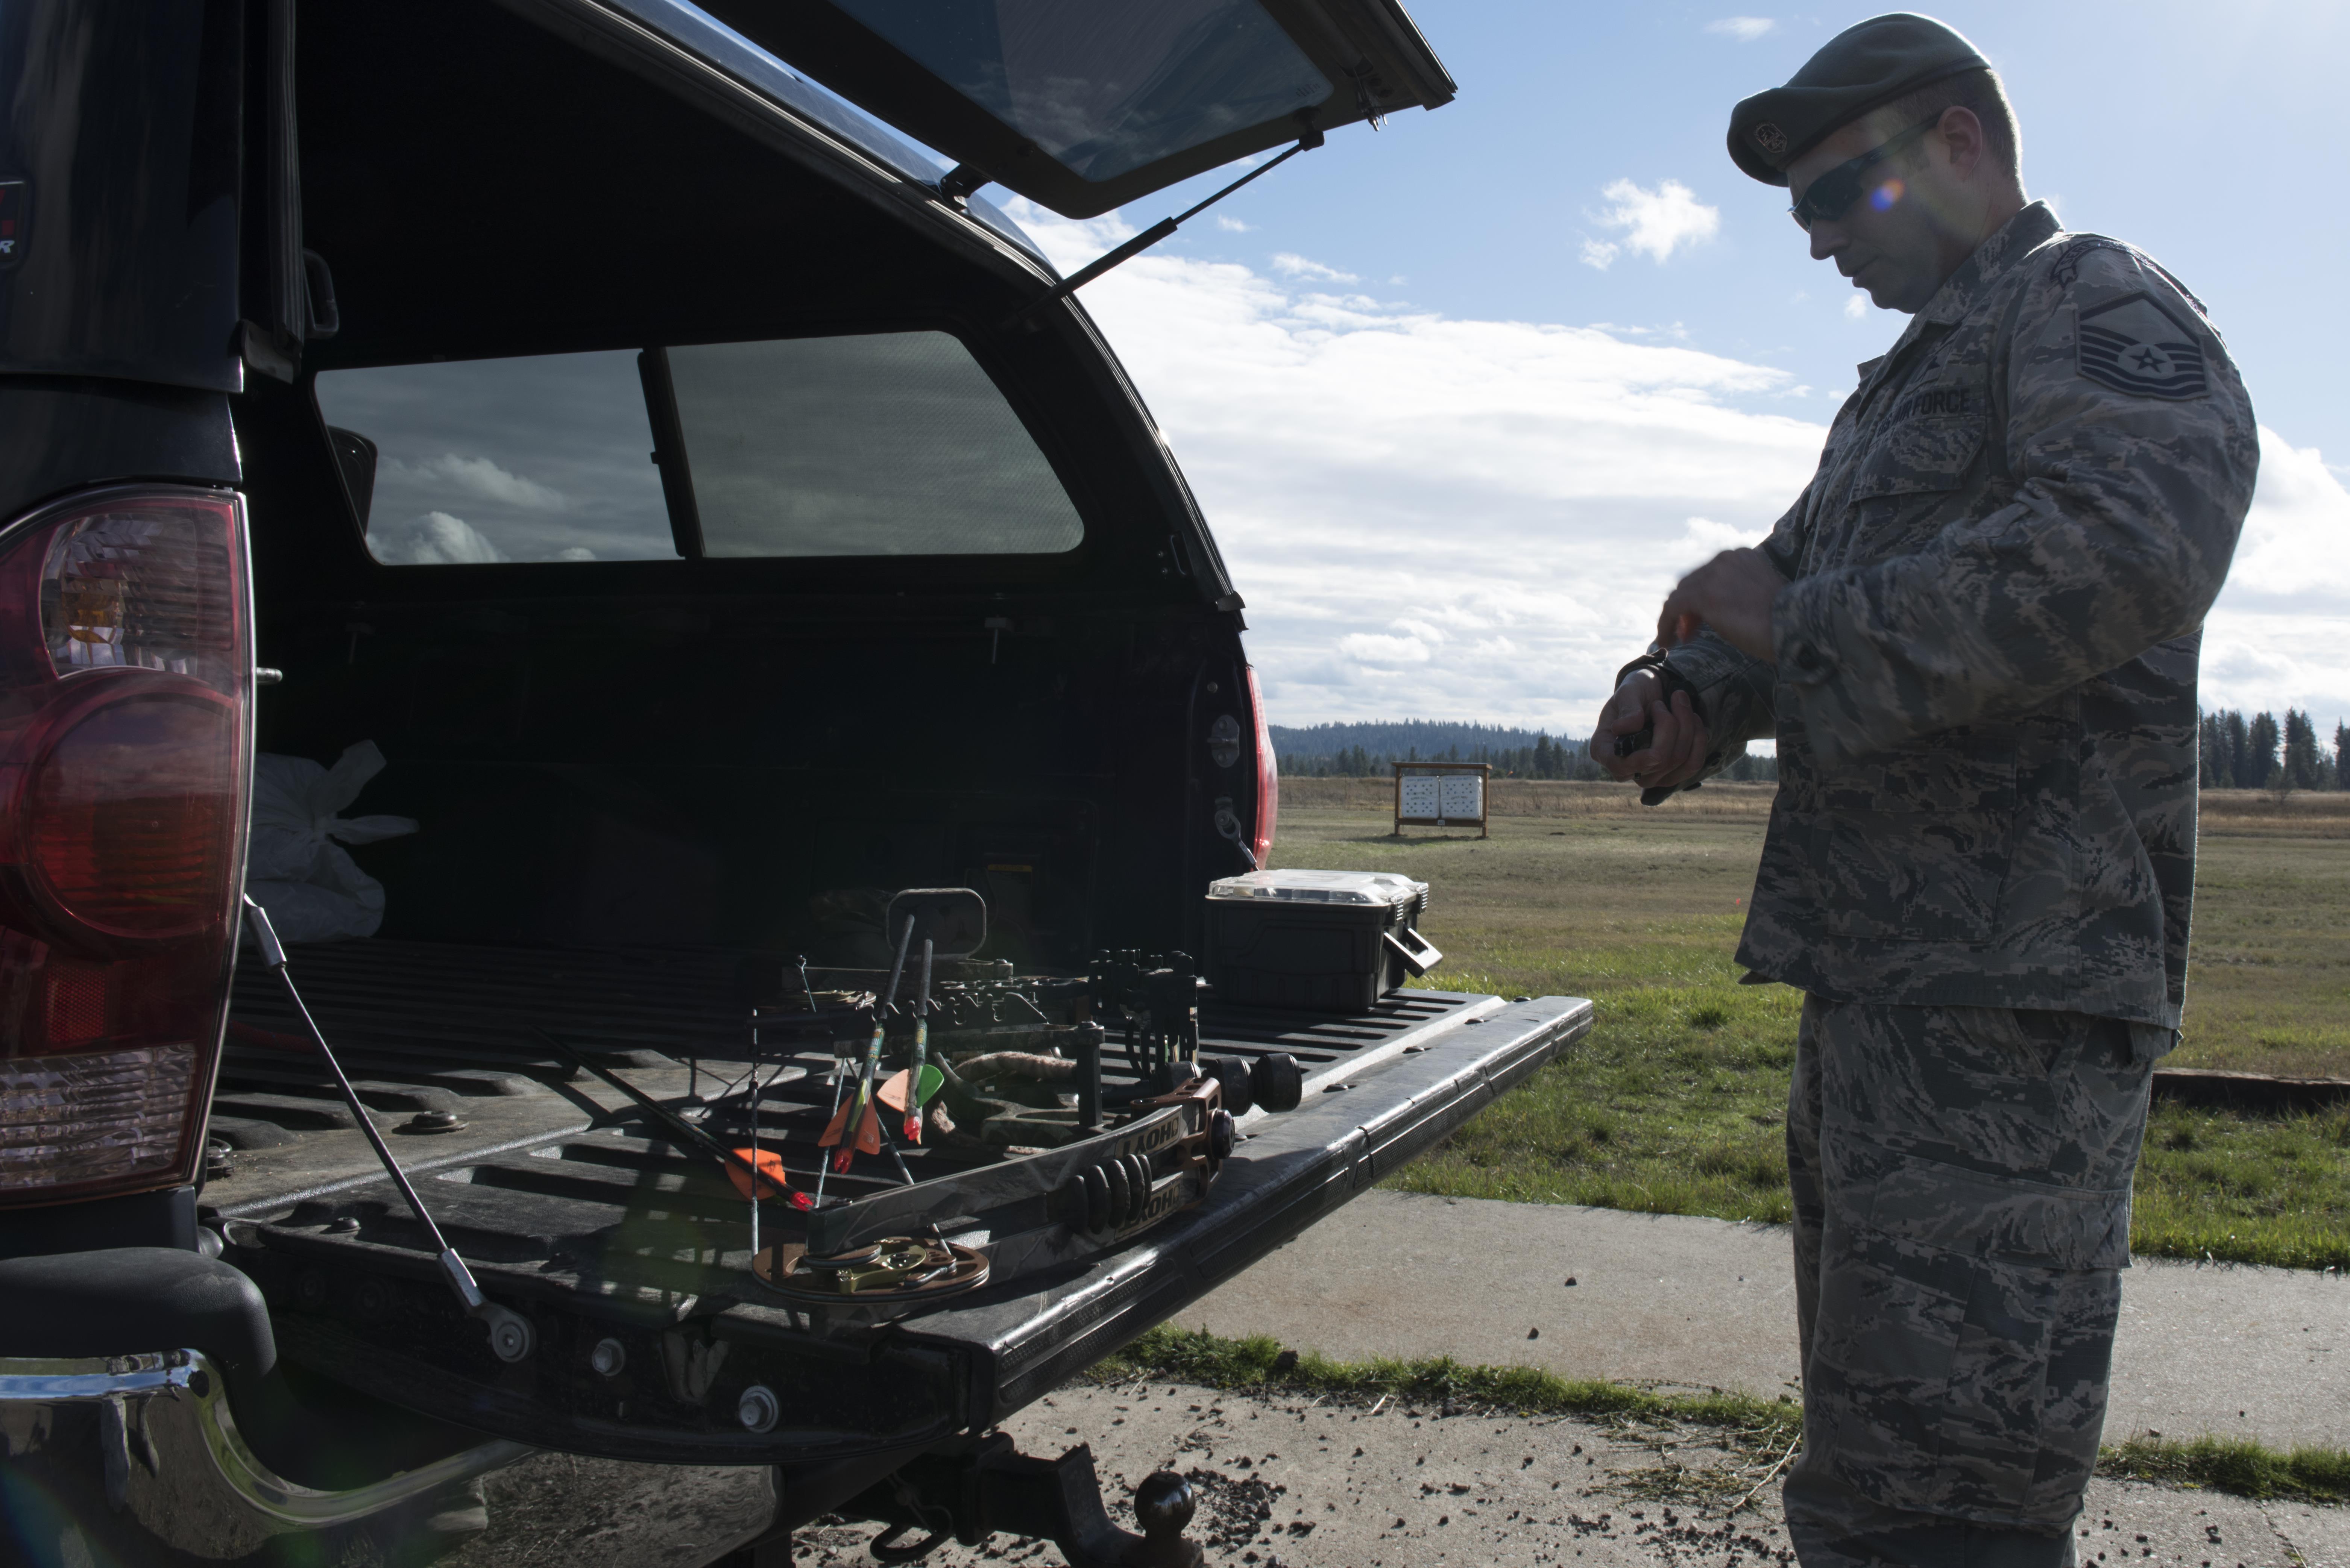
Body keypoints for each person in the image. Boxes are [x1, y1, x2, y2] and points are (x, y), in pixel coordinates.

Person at [1588, 13, 2256, 1566]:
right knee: (1874, 1469)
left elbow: (2125, 551)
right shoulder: (1907, 381)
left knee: (1948, 1501)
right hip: (1892, 994)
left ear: (1957, 144)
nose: (1816, 239)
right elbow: (1784, 589)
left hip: (2007, 1006)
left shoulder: (2086, 300)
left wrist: (1791, 625)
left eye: (1841, 197)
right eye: (1801, 212)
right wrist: (1687, 693)